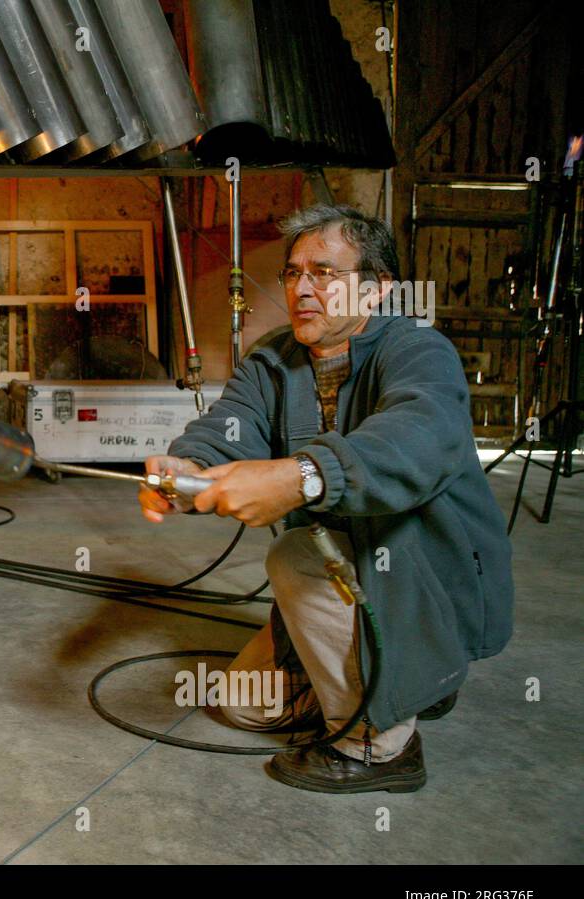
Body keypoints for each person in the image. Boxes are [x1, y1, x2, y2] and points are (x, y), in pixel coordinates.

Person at [140, 204, 513, 794]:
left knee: (293, 556)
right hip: (342, 565)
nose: (303, 289)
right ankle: (400, 680)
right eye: (293, 274)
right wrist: (190, 468)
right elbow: (228, 426)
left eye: (325, 273)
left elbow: (420, 433)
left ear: (376, 289)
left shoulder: (418, 349)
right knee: (243, 705)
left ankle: (381, 744)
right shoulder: (272, 358)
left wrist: (303, 475)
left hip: (419, 565)